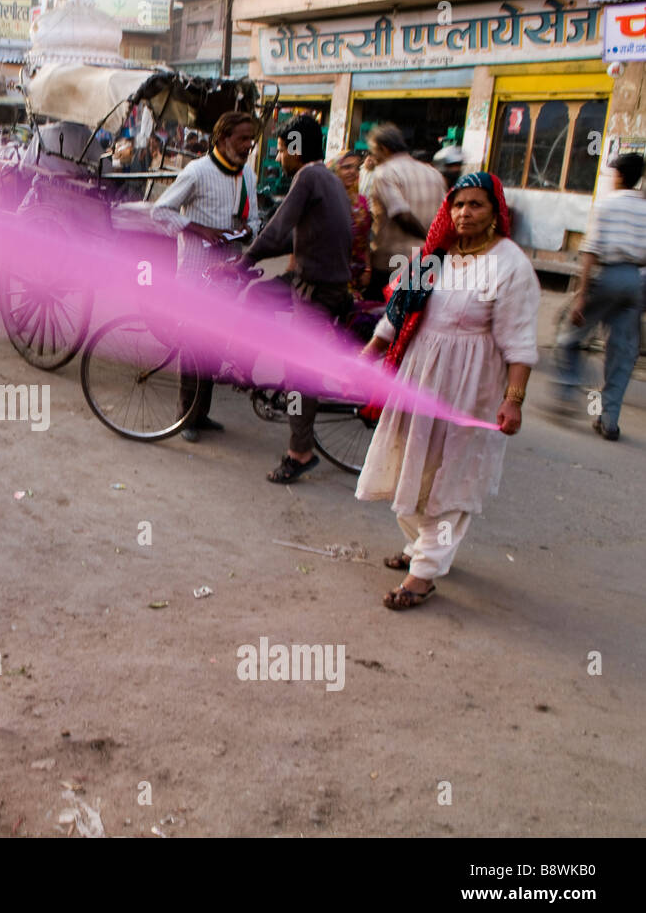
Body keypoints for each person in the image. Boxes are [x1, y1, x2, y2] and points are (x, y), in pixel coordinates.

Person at [355, 172, 539, 610]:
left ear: (496, 212)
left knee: (449, 477)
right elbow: (399, 314)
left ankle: (423, 575)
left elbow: (520, 343)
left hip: (470, 386)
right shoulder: (436, 255)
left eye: (475, 205)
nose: (464, 213)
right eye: (458, 205)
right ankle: (424, 548)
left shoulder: (511, 265)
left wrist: (513, 402)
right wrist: (370, 352)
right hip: (418, 376)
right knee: (408, 464)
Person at [238, 116, 354, 483]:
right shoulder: (329, 179)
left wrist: (246, 259)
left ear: (298, 149)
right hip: (316, 282)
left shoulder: (308, 177)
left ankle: (300, 453)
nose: (279, 154)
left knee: (299, 374)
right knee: (258, 296)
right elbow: (298, 235)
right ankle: (249, 367)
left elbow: (279, 228)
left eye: (283, 147)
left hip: (317, 291)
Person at [151, 111, 261, 442]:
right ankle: (186, 418)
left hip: (228, 273)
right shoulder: (197, 171)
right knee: (194, 344)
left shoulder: (248, 176)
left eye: (250, 139)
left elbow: (256, 220)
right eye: (242, 138)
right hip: (196, 273)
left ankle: (202, 413)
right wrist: (199, 228)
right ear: (222, 138)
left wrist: (246, 231)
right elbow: (161, 211)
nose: (248, 145)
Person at [552, 151, 646, 440]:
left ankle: (569, 390)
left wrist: (581, 295)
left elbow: (590, 251)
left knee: (569, 337)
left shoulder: (607, 205)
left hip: (607, 277)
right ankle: (609, 420)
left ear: (618, 176)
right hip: (636, 281)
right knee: (622, 353)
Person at [365, 123, 444, 301]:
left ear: (383, 149)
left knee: (381, 319)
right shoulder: (433, 173)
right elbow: (445, 216)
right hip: (427, 262)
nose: (372, 157)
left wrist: (426, 237)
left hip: (392, 265)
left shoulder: (384, 173)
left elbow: (401, 214)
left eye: (373, 151)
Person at [331, 150, 373, 297]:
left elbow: (365, 238)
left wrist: (368, 269)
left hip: (357, 275)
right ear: (335, 170)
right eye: (346, 167)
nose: (352, 172)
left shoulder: (361, 201)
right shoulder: (327, 199)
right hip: (331, 274)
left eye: (356, 167)